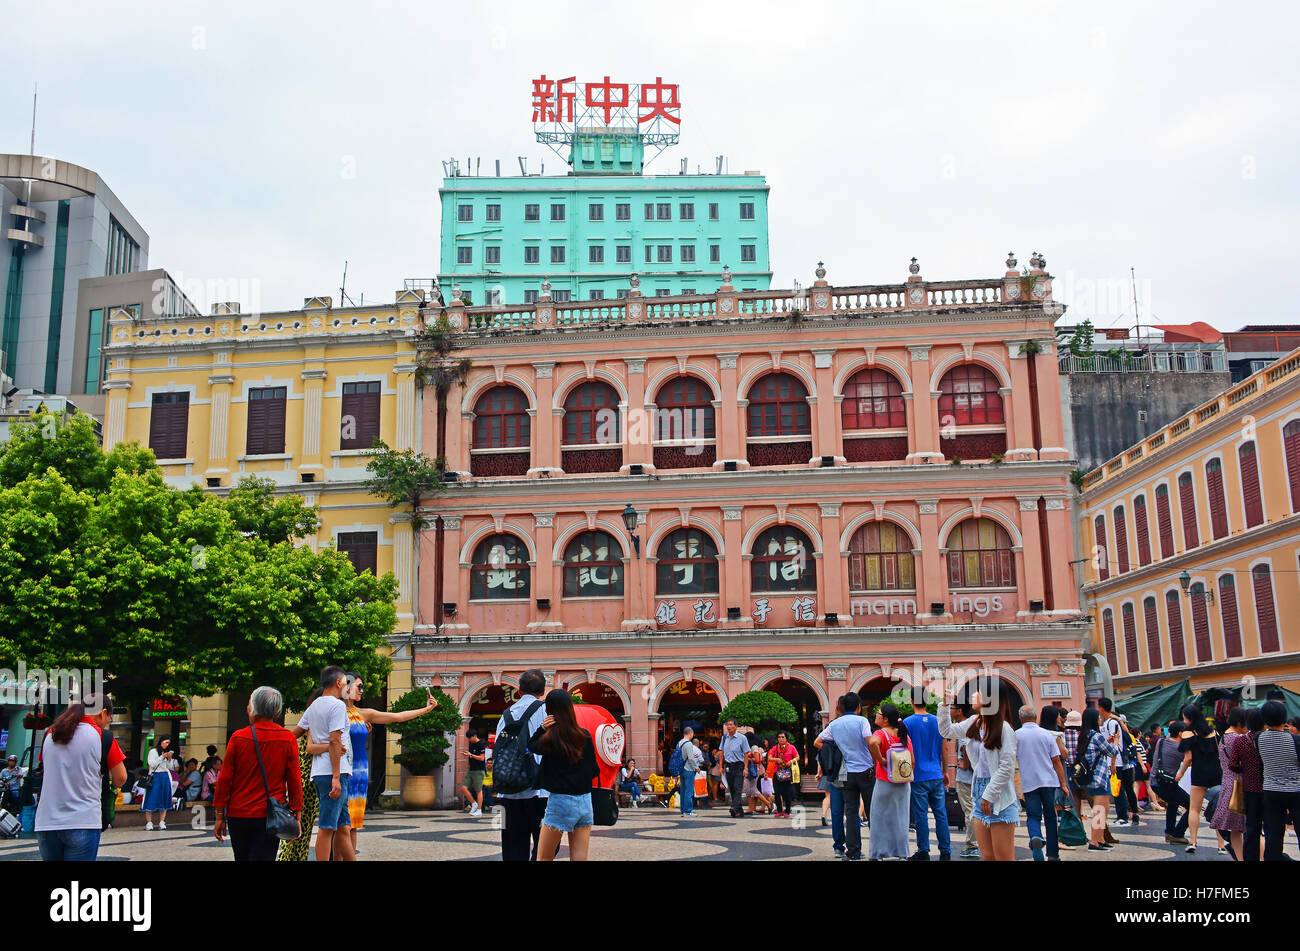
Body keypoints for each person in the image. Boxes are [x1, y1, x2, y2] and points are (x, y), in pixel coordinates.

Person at [311, 673, 436, 851]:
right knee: (341, 826)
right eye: (359, 686)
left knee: (353, 825)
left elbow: (397, 717)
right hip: (342, 770)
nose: (362, 691)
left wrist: (426, 709)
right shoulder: (334, 710)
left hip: (360, 772)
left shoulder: (363, 713)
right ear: (345, 686)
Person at [212, 686, 304, 861]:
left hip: (239, 815)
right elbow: (294, 780)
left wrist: (219, 815)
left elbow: (224, 779)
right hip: (270, 815)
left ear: (253, 708)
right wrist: (295, 814)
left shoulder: (238, 738)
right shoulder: (287, 739)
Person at [35, 695, 126, 861]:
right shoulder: (103, 737)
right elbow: (121, 778)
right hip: (83, 821)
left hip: (46, 822)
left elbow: (45, 766)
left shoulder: (51, 733)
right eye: (109, 718)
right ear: (102, 712)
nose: (107, 722)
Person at [939, 690, 1019, 861]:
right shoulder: (975, 723)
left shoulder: (1004, 729)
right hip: (978, 791)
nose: (974, 695)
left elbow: (1006, 768)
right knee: (988, 856)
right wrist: (944, 706)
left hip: (999, 795)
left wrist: (989, 795)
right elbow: (947, 731)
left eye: (979, 693)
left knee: (1003, 857)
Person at [294, 665, 355, 862]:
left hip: (323, 772)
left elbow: (295, 733)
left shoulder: (314, 706)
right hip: (332, 774)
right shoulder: (336, 706)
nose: (347, 686)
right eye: (346, 682)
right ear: (338, 683)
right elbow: (335, 740)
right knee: (327, 827)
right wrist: (336, 777)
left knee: (343, 827)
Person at [529, 689, 599, 861]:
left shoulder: (551, 738)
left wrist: (542, 728)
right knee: (580, 858)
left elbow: (531, 746)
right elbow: (595, 770)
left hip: (560, 802)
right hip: (585, 801)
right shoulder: (585, 735)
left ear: (549, 710)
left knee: (544, 857)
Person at [497, 668, 549, 861]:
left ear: (519, 690)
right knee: (545, 844)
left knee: (512, 846)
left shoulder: (505, 714)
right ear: (543, 691)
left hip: (508, 790)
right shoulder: (547, 711)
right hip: (540, 790)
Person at [815, 691, 873, 861]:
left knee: (848, 811)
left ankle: (851, 850)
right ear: (859, 707)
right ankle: (873, 849)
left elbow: (817, 743)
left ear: (840, 707)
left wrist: (835, 749)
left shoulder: (834, 725)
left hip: (843, 774)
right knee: (867, 811)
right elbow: (869, 742)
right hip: (860, 771)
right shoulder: (861, 721)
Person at [1017, 705, 1069, 861]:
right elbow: (1056, 760)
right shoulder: (1046, 735)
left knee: (1033, 815)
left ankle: (1035, 836)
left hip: (1029, 782)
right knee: (1051, 817)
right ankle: (1053, 854)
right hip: (1049, 781)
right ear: (1035, 717)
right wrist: (1063, 784)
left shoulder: (1016, 735)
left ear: (1020, 719)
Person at [867, 703, 913, 860]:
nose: (876, 715)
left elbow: (872, 743)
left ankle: (877, 854)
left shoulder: (881, 733)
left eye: (878, 713)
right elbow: (912, 760)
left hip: (885, 782)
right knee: (901, 819)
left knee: (878, 819)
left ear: (885, 719)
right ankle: (902, 854)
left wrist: (880, 759)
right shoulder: (903, 734)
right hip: (903, 784)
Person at [904, 703, 950, 861]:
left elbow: (905, 749)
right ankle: (946, 850)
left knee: (921, 814)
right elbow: (945, 748)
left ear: (911, 701)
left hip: (918, 775)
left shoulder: (907, 723)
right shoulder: (937, 721)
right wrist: (945, 771)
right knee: (941, 813)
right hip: (936, 773)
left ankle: (923, 850)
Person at [1174, 704, 1221, 854]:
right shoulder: (1214, 732)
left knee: (1194, 809)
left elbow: (1188, 758)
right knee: (1218, 809)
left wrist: (1180, 773)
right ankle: (1221, 844)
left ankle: (1193, 841)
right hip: (1216, 773)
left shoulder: (1188, 733)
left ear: (1188, 717)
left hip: (1199, 773)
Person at [1258, 699, 1300, 861]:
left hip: (1271, 791)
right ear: (1284, 718)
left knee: (1273, 835)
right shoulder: (1295, 740)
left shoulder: (1259, 738)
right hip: (1296, 791)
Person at [1209, 706, 1249, 860]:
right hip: (1239, 785)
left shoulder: (1224, 737)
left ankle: (1240, 858)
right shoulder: (1238, 739)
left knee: (1235, 829)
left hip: (1227, 783)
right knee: (1247, 827)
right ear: (1240, 723)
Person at [1074, 707, 1116, 851]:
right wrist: (1115, 741)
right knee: (1099, 810)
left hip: (1093, 778)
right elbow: (1112, 752)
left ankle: (1101, 839)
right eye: (1098, 717)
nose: (1100, 719)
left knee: (1104, 808)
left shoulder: (1084, 735)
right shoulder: (1096, 736)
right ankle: (1094, 842)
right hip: (1099, 777)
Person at [1228, 707, 1266, 861]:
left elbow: (1232, 764)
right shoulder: (1266, 738)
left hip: (1250, 788)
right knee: (1271, 826)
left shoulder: (1241, 740)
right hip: (1268, 787)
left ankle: (1251, 858)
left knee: (1252, 827)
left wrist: (1245, 769)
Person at [1151, 719, 1190, 845]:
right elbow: (1190, 760)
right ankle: (1178, 834)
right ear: (1180, 733)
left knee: (1173, 802)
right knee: (1193, 806)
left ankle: (1169, 832)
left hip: (1155, 780)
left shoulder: (1161, 741)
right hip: (1166, 784)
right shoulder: (1179, 749)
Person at [950, 702, 979, 859]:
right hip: (975, 777)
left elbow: (964, 748)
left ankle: (972, 844)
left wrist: (965, 763)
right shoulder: (971, 726)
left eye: (952, 709)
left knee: (969, 810)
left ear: (959, 711)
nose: (950, 711)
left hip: (966, 777)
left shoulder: (962, 728)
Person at [143, 736, 176, 830]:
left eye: (168, 743)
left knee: (164, 798)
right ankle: (149, 823)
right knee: (151, 798)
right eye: (166, 742)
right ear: (161, 742)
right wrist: (162, 757)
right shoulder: (153, 752)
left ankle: (162, 821)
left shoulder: (167, 752)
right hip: (155, 777)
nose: (167, 744)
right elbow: (152, 764)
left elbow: (169, 767)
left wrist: (169, 759)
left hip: (165, 776)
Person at [719, 719, 751, 818]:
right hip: (728, 766)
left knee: (738, 787)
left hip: (739, 765)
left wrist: (745, 768)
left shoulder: (742, 738)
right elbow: (721, 752)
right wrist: (721, 766)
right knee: (732, 788)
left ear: (736, 726)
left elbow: (746, 753)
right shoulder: (724, 738)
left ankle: (734, 806)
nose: (729, 727)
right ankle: (739, 810)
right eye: (727, 725)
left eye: (731, 725)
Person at [769, 731, 799, 817]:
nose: (781, 739)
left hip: (788, 772)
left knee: (788, 792)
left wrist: (791, 761)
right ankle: (779, 810)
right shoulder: (775, 748)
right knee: (777, 792)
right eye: (779, 737)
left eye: (782, 737)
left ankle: (787, 811)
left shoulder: (791, 747)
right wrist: (776, 759)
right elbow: (770, 758)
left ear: (786, 738)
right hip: (777, 772)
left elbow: (797, 756)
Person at [462, 728, 489, 815]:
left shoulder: (481, 744)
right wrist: (468, 754)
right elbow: (472, 756)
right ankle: (474, 804)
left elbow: (482, 758)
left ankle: (479, 809)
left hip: (478, 770)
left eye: (470, 738)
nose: (469, 740)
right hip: (471, 769)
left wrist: (471, 755)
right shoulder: (471, 744)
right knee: (464, 787)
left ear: (474, 736)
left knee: (478, 790)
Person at [677, 729, 701, 816]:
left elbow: (683, 756)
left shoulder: (679, 743)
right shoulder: (688, 743)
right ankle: (688, 811)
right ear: (690, 733)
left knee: (683, 790)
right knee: (689, 791)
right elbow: (690, 758)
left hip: (681, 769)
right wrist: (696, 767)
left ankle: (683, 810)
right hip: (689, 769)